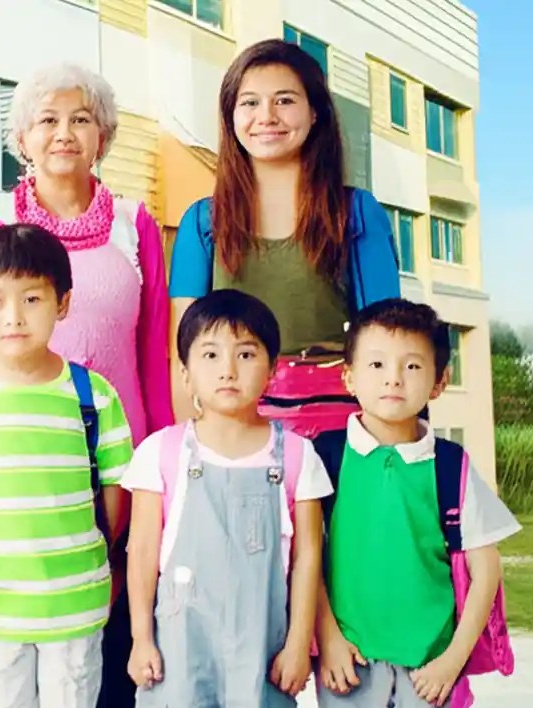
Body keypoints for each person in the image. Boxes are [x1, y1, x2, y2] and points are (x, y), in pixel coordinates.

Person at [0, 62, 172, 708]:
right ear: (21, 138)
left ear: (102, 135)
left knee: (111, 636)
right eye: (47, 119)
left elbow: (156, 351)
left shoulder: (134, 223)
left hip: (120, 457)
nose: (64, 132)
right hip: (24, 465)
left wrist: (160, 463)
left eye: (81, 118)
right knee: (20, 659)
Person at [0, 224, 133, 708]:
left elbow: (116, 486)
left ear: (63, 303)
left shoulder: (92, 395)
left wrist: (94, 552)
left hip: (75, 602)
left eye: (32, 298)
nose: (13, 316)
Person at [168, 39, 400, 438]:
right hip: (234, 426)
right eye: (250, 103)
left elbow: (391, 340)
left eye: (285, 100)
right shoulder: (202, 222)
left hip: (342, 427)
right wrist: (189, 446)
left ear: (315, 114)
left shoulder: (357, 213)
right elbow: (183, 356)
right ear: (231, 116)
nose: (267, 116)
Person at [125, 289, 331, 708]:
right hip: (178, 657)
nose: (229, 371)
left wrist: (298, 644)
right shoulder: (159, 452)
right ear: (185, 373)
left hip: (262, 658)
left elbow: (309, 556)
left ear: (273, 369)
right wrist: (141, 637)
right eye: (211, 355)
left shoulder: (296, 457)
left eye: (246, 354)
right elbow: (142, 553)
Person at [314, 299, 520, 708]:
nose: (393, 379)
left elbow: (486, 572)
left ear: (440, 381)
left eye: (412, 366)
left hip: (429, 664)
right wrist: (328, 638)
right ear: (348, 377)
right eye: (376, 365)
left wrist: (454, 659)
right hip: (348, 660)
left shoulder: (451, 466)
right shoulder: (327, 457)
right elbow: (306, 561)